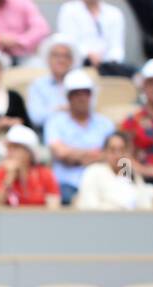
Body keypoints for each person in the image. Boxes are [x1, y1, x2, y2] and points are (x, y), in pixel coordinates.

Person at [44, 68, 114, 204]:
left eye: (86, 93)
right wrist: (98, 155)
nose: (82, 98)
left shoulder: (105, 123)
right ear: (68, 97)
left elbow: (117, 155)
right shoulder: (55, 122)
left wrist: (76, 157)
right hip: (67, 184)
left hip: (100, 182)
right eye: (76, 94)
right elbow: (61, 153)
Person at [75, 130, 153, 208]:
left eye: (122, 150)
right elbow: (90, 207)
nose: (117, 155)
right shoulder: (93, 172)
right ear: (104, 152)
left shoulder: (131, 174)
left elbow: (144, 205)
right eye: (112, 150)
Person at [0, 124, 60, 207]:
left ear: (30, 153)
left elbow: (54, 207)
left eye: (16, 147)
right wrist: (9, 178)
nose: (10, 151)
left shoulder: (45, 175)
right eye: (9, 147)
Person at [56, 0, 132, 76]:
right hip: (79, 67)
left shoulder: (114, 13)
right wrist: (89, 54)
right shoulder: (69, 10)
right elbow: (69, 43)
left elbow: (117, 48)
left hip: (108, 68)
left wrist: (109, 61)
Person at [26, 33, 79, 134]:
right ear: (48, 59)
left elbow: (87, 112)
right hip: (48, 135)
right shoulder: (38, 85)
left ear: (72, 60)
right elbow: (36, 118)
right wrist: (60, 109)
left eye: (66, 56)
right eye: (56, 55)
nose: (61, 60)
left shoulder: (81, 83)